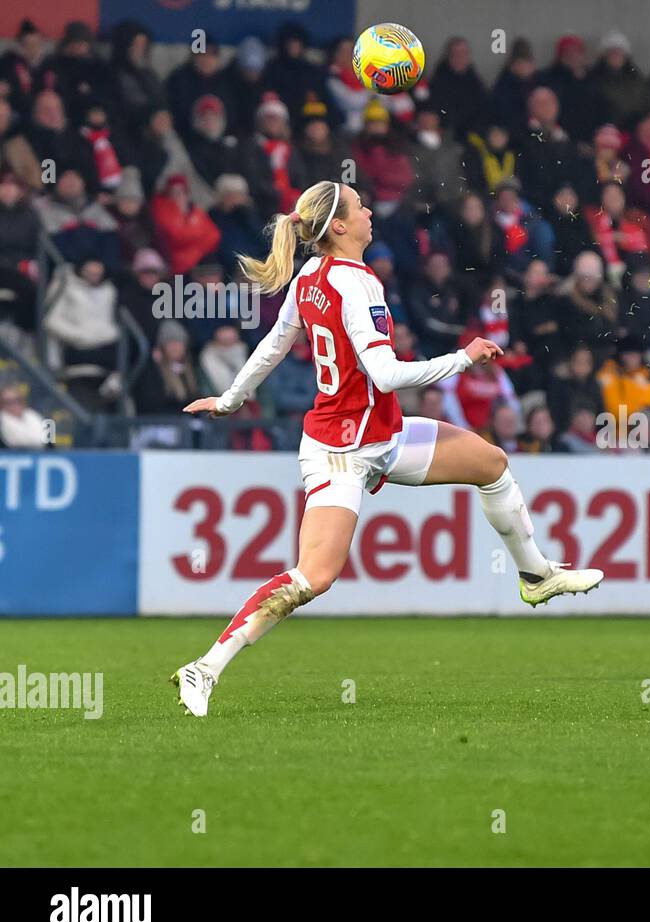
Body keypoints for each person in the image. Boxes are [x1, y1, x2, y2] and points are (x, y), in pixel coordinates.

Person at [170, 181, 603, 717]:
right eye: (360, 206)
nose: (372, 211)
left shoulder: (311, 276)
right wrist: (463, 358)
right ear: (341, 226)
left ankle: (536, 576)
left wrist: (232, 400)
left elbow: (273, 343)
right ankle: (204, 667)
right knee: (315, 577)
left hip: (384, 435)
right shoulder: (358, 285)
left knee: (492, 463)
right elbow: (386, 372)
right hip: (340, 450)